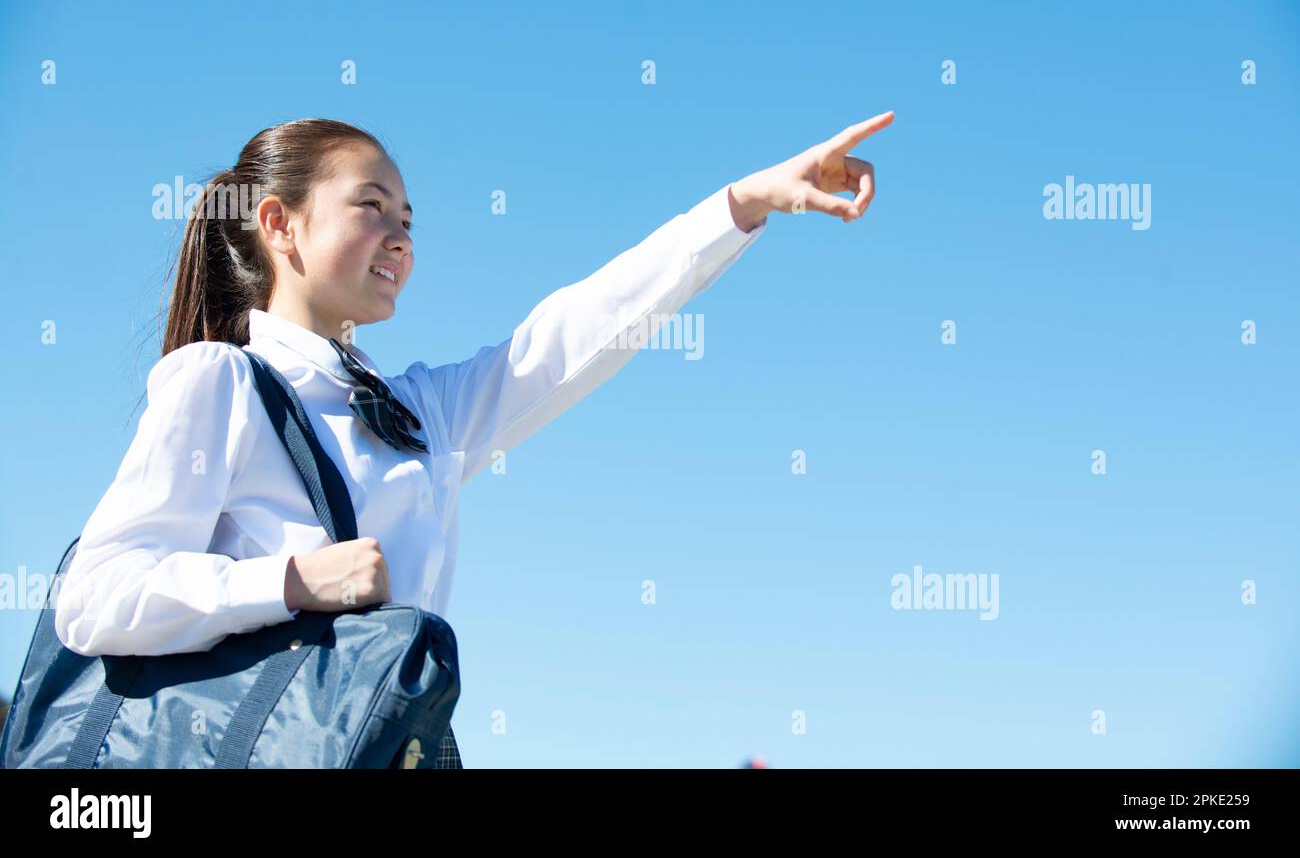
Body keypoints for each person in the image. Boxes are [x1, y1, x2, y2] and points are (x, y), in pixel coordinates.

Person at [53, 112, 893, 767]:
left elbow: (571, 336)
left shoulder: (420, 411)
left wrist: (742, 203)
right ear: (279, 223)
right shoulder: (220, 380)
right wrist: (290, 580)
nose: (400, 238)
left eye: (408, 220)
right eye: (371, 208)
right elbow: (94, 596)